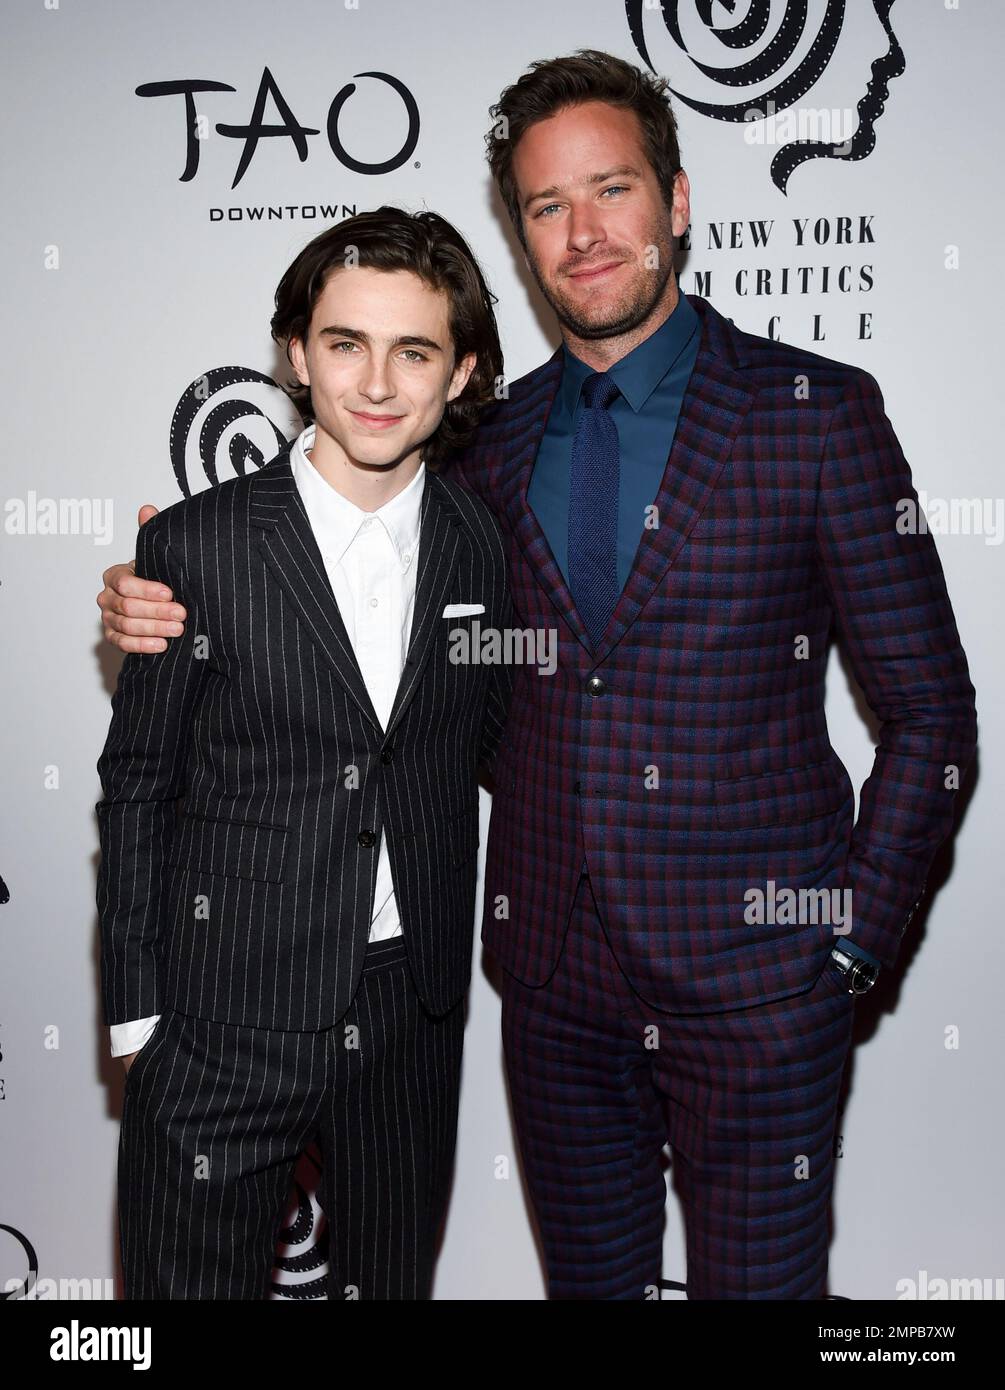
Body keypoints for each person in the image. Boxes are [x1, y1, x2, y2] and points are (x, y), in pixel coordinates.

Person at [97, 50, 978, 1300]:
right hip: (551, 991)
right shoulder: (483, 451)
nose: (582, 232)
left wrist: (847, 949)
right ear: (519, 235)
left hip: (762, 991)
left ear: (676, 199)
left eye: (611, 190)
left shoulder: (813, 414)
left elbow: (934, 715)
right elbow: (370, 624)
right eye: (546, 207)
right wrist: (157, 602)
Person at [95, 206, 513, 1299]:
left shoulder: (482, 542)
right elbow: (137, 785)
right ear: (296, 353)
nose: (377, 381)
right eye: (345, 343)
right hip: (221, 1006)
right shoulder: (195, 544)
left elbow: (498, 741)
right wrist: (140, 1017)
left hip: (407, 1012)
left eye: (414, 350)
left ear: (460, 371)